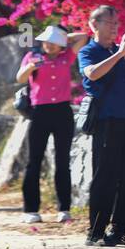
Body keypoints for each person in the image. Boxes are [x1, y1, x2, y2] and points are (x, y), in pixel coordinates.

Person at [79, 5, 125, 246]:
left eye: (117, 24)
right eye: (110, 23)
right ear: (94, 25)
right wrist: (119, 53)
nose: (115, 28)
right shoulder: (88, 51)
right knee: (105, 177)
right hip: (105, 121)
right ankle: (96, 231)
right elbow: (92, 74)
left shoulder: (122, 52)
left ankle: (119, 229)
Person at [16, 25, 86, 224]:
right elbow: (20, 78)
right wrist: (31, 67)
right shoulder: (33, 56)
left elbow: (83, 37)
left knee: (62, 161)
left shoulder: (66, 57)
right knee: (34, 161)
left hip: (62, 111)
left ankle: (64, 208)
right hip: (40, 112)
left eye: (54, 42)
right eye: (47, 41)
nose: (50, 45)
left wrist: (63, 37)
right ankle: (30, 209)